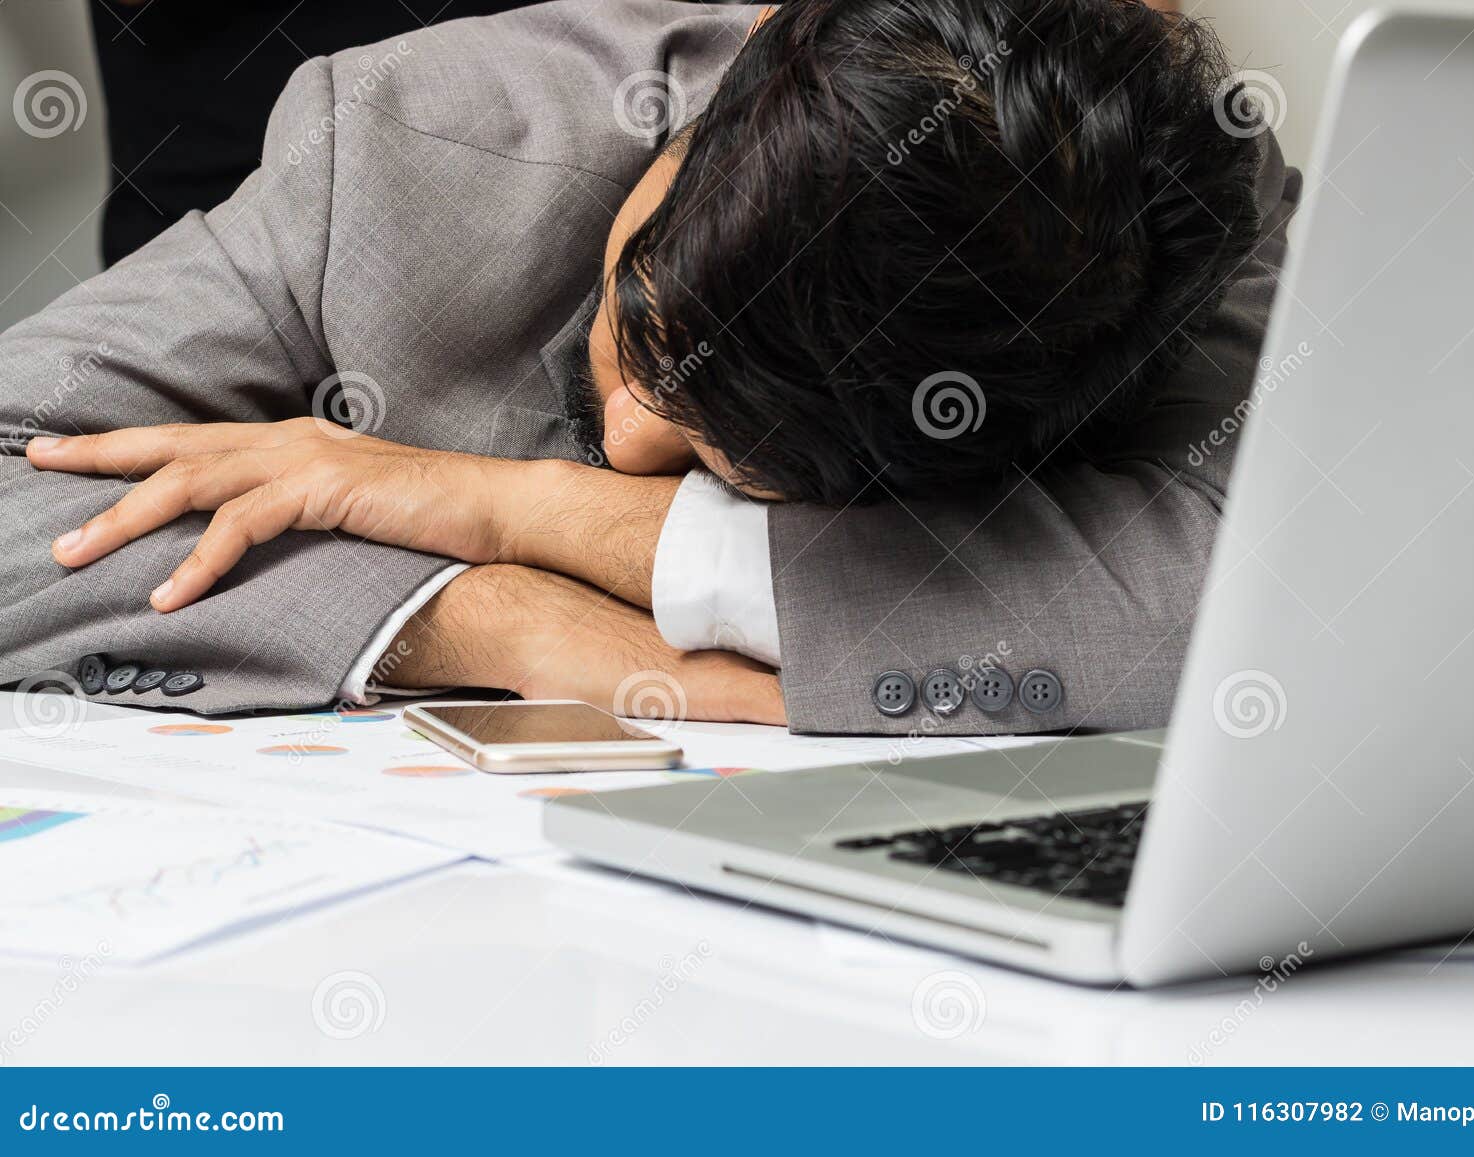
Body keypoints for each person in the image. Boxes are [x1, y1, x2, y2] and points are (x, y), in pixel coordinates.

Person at [0, 0, 1298, 736]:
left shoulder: (1171, 245)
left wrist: (515, 506)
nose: (626, 444)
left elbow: (1276, 590)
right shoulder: (407, 146)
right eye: (644, 322)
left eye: (737, 468)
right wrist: (479, 619)